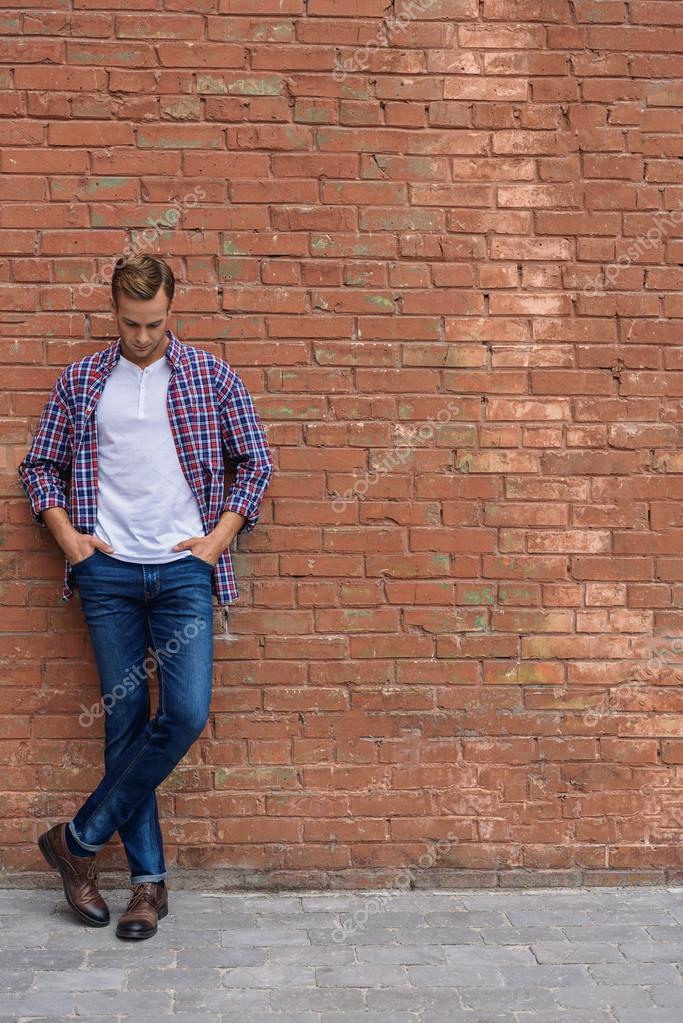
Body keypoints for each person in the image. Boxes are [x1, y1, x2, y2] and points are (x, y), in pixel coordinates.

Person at [17, 254, 274, 939]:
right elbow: (38, 466)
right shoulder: (82, 381)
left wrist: (218, 538)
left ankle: (76, 838)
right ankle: (146, 885)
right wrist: (71, 541)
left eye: (154, 323)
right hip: (109, 574)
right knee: (125, 720)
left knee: (184, 712)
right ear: (114, 312)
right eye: (131, 324)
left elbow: (256, 460)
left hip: (183, 569)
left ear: (171, 310)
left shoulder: (208, 375)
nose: (142, 336)